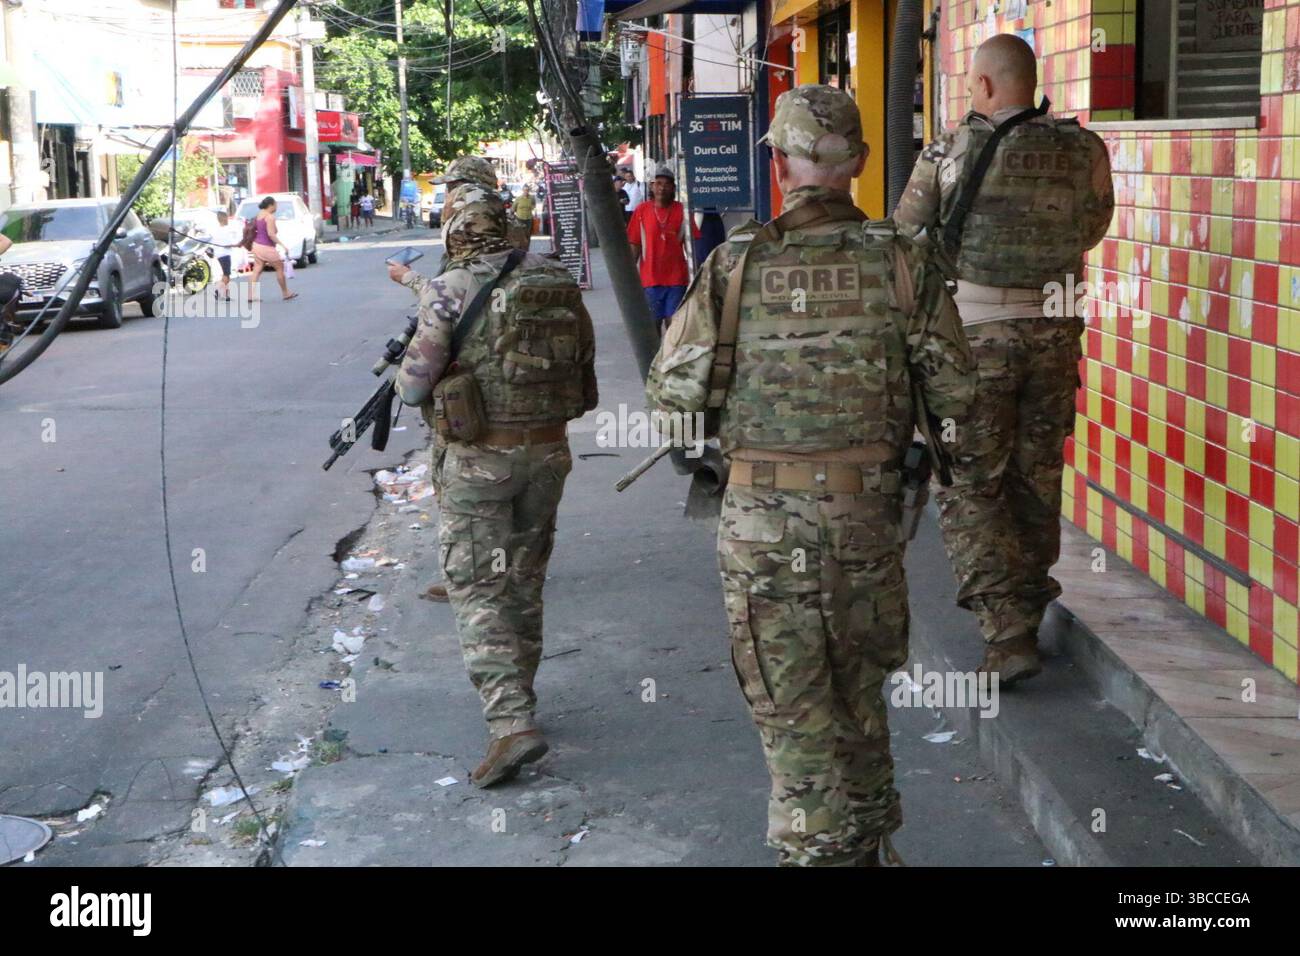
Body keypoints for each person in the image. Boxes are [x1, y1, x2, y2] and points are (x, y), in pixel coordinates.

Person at [645, 84, 975, 866]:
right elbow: (959, 397)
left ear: (780, 165)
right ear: (858, 164)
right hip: (867, 523)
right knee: (860, 702)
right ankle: (871, 844)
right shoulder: (905, 260)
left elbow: (671, 403)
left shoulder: (734, 265)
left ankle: (823, 852)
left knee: (796, 721)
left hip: (762, 530)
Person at [893, 33, 1114, 684]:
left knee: (968, 484)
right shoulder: (1083, 148)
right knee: (1035, 474)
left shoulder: (949, 151)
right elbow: (1095, 224)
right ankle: (1029, 598)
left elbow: (905, 242)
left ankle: (1006, 630)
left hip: (975, 340)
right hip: (1055, 334)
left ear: (986, 86)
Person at [391, 180, 598, 787]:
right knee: (525, 580)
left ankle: (511, 722)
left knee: (477, 587)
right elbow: (585, 374)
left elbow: (412, 386)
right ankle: (523, 699)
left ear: (455, 235)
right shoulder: (555, 278)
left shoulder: (452, 289)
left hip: (480, 461)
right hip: (548, 453)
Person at [627, 165, 699, 334]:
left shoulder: (682, 210)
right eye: (658, 183)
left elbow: (692, 246)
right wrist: (630, 281)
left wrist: (696, 276)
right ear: (652, 186)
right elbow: (634, 245)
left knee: (674, 327)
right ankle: (653, 359)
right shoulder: (641, 211)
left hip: (676, 279)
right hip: (650, 280)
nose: (662, 187)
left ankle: (670, 360)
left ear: (673, 188)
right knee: (652, 327)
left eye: (667, 184)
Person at [248, 196, 297, 301]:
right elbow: (271, 234)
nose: (277, 207)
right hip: (267, 247)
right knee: (279, 267)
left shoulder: (259, 215)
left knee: (257, 269)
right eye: (276, 204)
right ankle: (285, 293)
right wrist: (282, 245)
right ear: (271, 205)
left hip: (256, 245)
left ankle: (251, 295)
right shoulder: (269, 217)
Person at [211, 210, 241, 300]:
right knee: (226, 274)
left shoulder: (216, 230)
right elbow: (227, 243)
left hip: (219, 254)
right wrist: (237, 245)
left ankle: (226, 294)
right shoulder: (225, 230)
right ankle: (217, 290)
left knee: (227, 275)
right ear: (224, 219)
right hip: (225, 254)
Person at [509, 185, 535, 250]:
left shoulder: (532, 198)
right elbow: (513, 208)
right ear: (522, 191)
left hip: (529, 218)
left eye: (527, 190)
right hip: (519, 219)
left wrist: (531, 208)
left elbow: (534, 205)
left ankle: (526, 248)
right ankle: (520, 248)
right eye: (525, 190)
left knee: (527, 234)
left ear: (529, 191)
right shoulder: (518, 198)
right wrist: (511, 214)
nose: (526, 192)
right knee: (520, 234)